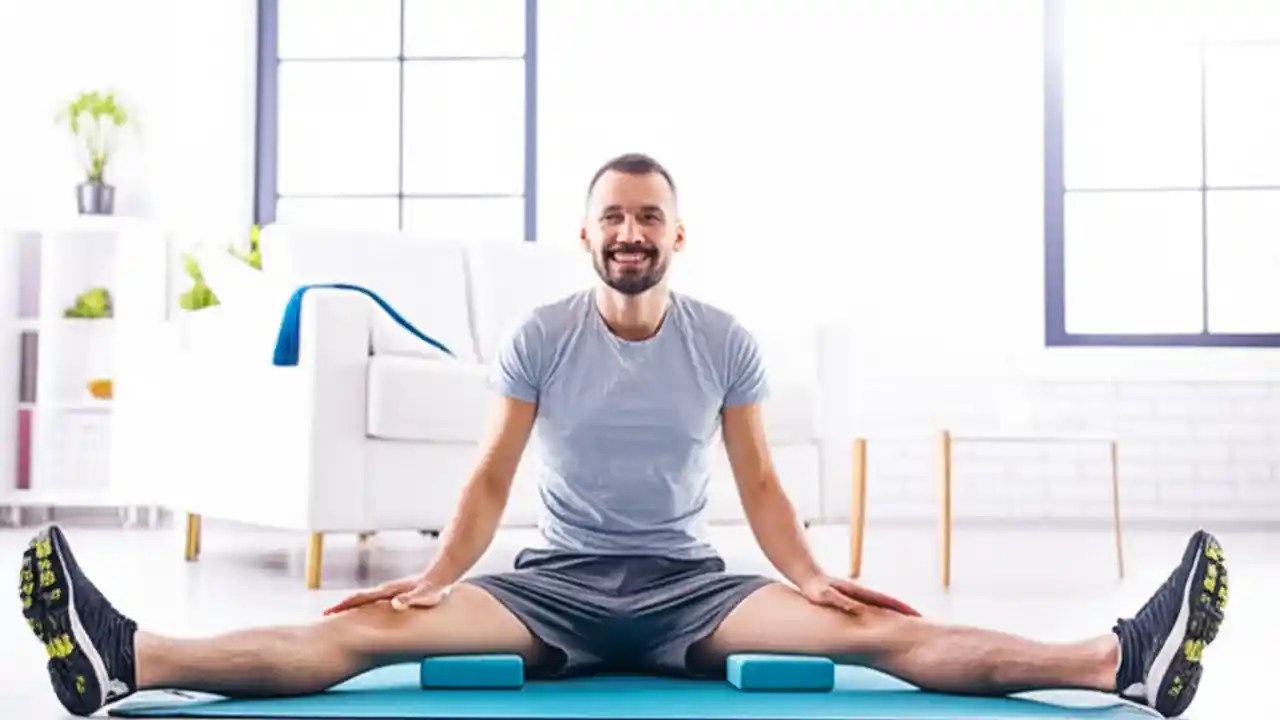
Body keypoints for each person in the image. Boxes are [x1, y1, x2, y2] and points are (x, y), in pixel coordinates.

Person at [20, 153, 1227, 719]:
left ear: (676, 235)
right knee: (346, 640)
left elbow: (757, 483)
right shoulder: (542, 336)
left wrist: (809, 578)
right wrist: (434, 579)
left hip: (693, 592)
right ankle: (130, 657)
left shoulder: (724, 339)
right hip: (548, 590)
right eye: (612, 217)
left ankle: (1119, 661)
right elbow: (491, 476)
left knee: (890, 636)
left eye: (649, 216)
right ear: (587, 236)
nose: (629, 232)